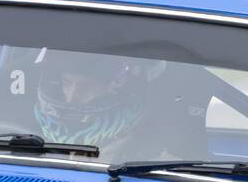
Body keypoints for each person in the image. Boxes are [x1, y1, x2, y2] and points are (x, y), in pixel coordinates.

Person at [32, 48, 167, 159]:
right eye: (66, 83)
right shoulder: (26, 148)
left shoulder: (160, 166)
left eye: (85, 87)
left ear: (113, 91)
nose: (71, 98)